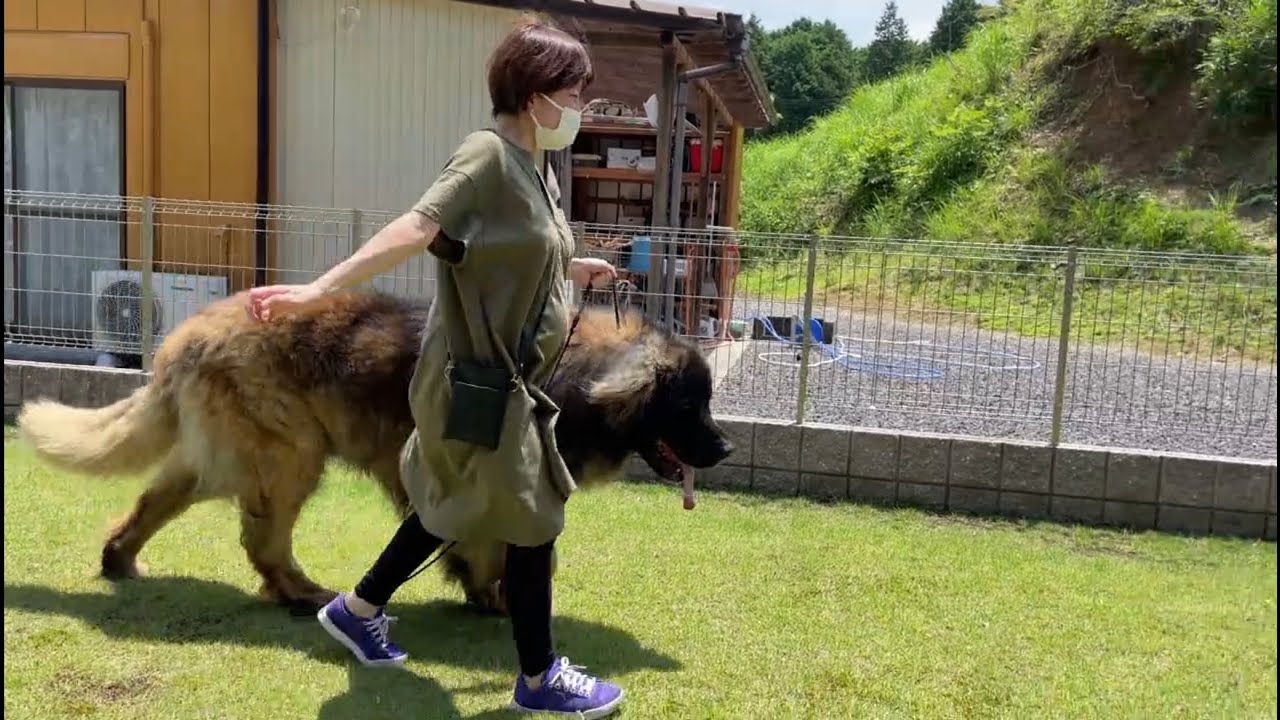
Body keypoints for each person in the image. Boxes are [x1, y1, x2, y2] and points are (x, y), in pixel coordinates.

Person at [247, 17, 624, 718]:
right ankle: (540, 680)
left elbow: (491, 250)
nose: (581, 107)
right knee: (534, 518)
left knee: (445, 503)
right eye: (576, 91)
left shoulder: (535, 168)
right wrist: (318, 288)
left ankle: (358, 609)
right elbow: (420, 229)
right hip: (479, 384)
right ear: (536, 90)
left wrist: (573, 263)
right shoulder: (485, 156)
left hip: (502, 382)